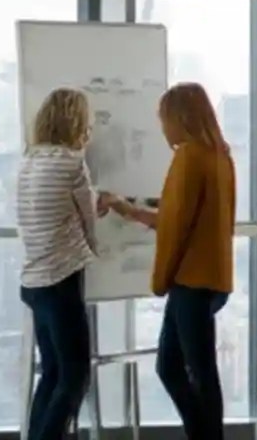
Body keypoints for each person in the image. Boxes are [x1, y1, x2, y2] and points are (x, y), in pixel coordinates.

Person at [103, 82, 236, 440]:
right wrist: (133, 210)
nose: (163, 127)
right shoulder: (220, 155)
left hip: (191, 281)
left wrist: (160, 279)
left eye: (164, 119)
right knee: (186, 368)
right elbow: (194, 217)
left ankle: (205, 435)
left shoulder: (189, 156)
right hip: (213, 278)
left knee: (187, 369)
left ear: (179, 118)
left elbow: (176, 225)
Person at [17, 88, 113, 440]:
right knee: (75, 376)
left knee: (53, 372)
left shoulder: (29, 159)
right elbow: (89, 220)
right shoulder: (73, 162)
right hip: (61, 278)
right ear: (77, 122)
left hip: (33, 280)